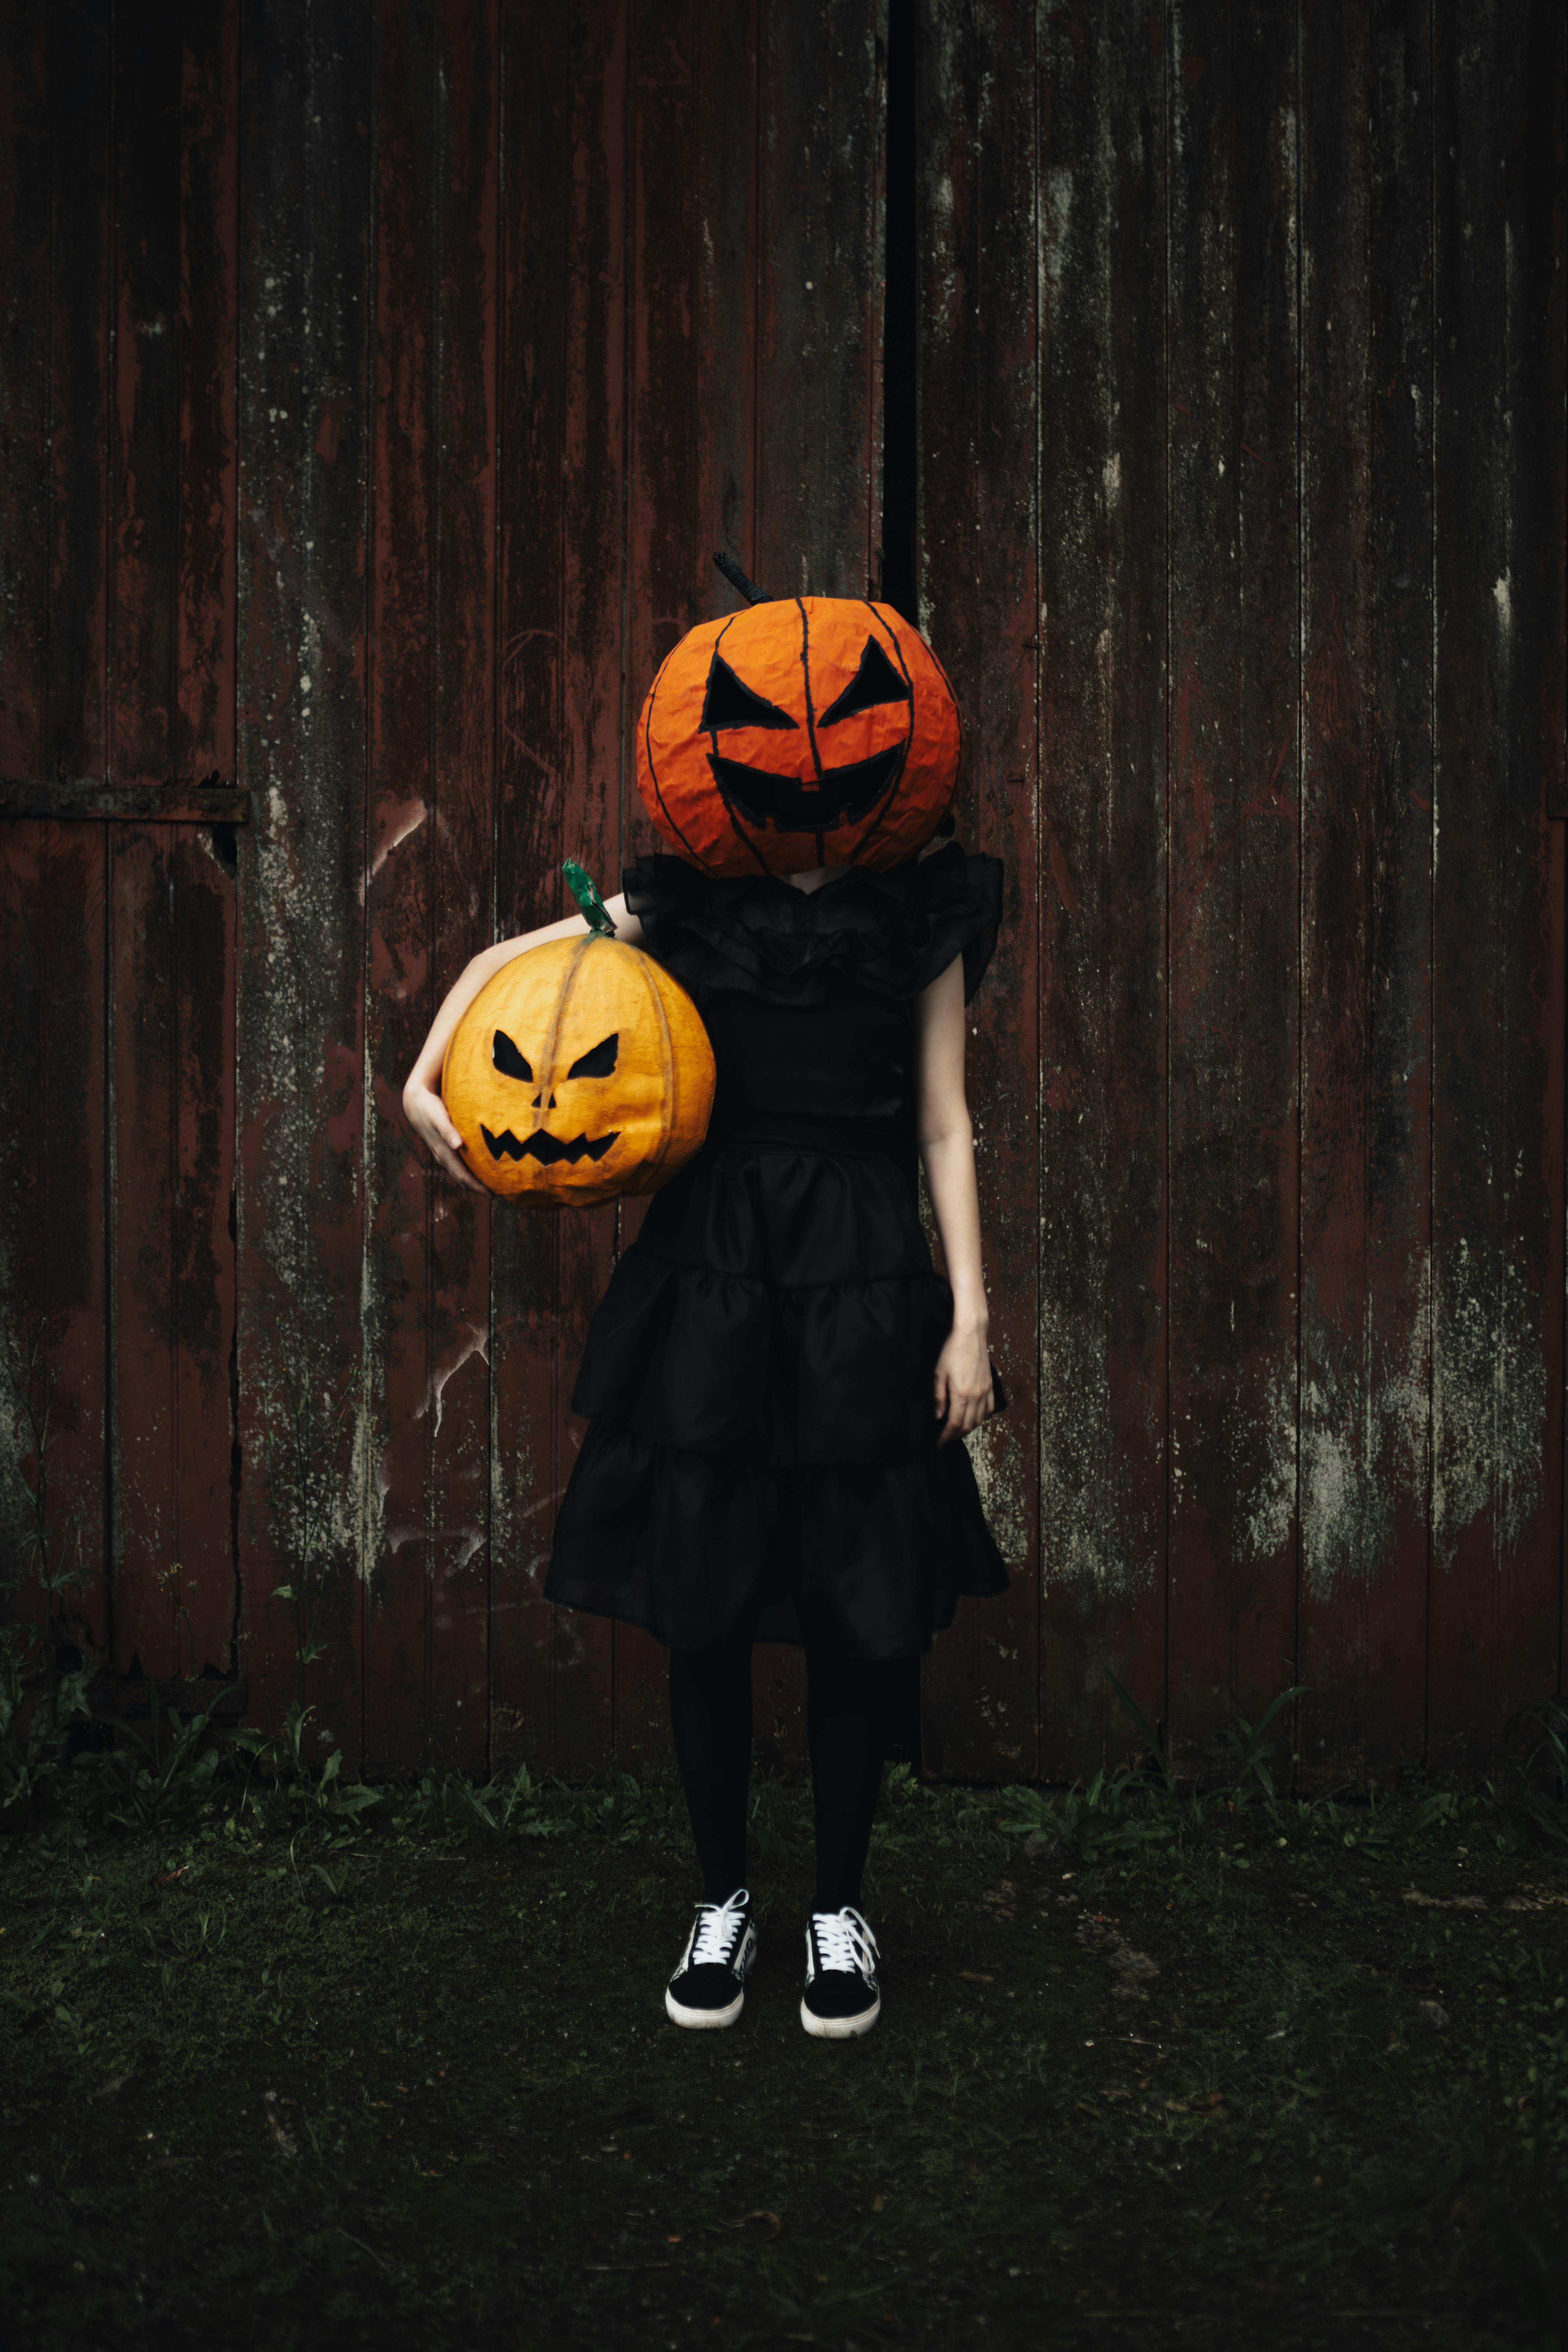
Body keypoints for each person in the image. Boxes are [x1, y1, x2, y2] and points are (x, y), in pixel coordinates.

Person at [403, 830, 1007, 2041]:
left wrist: (971, 1317)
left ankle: (839, 1912)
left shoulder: (915, 914)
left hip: (860, 1280)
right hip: (712, 1280)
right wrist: (421, 1077)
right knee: (705, 1598)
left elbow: (943, 1125)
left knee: (854, 1602)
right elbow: (506, 957)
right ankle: (720, 1899)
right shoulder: (688, 905)